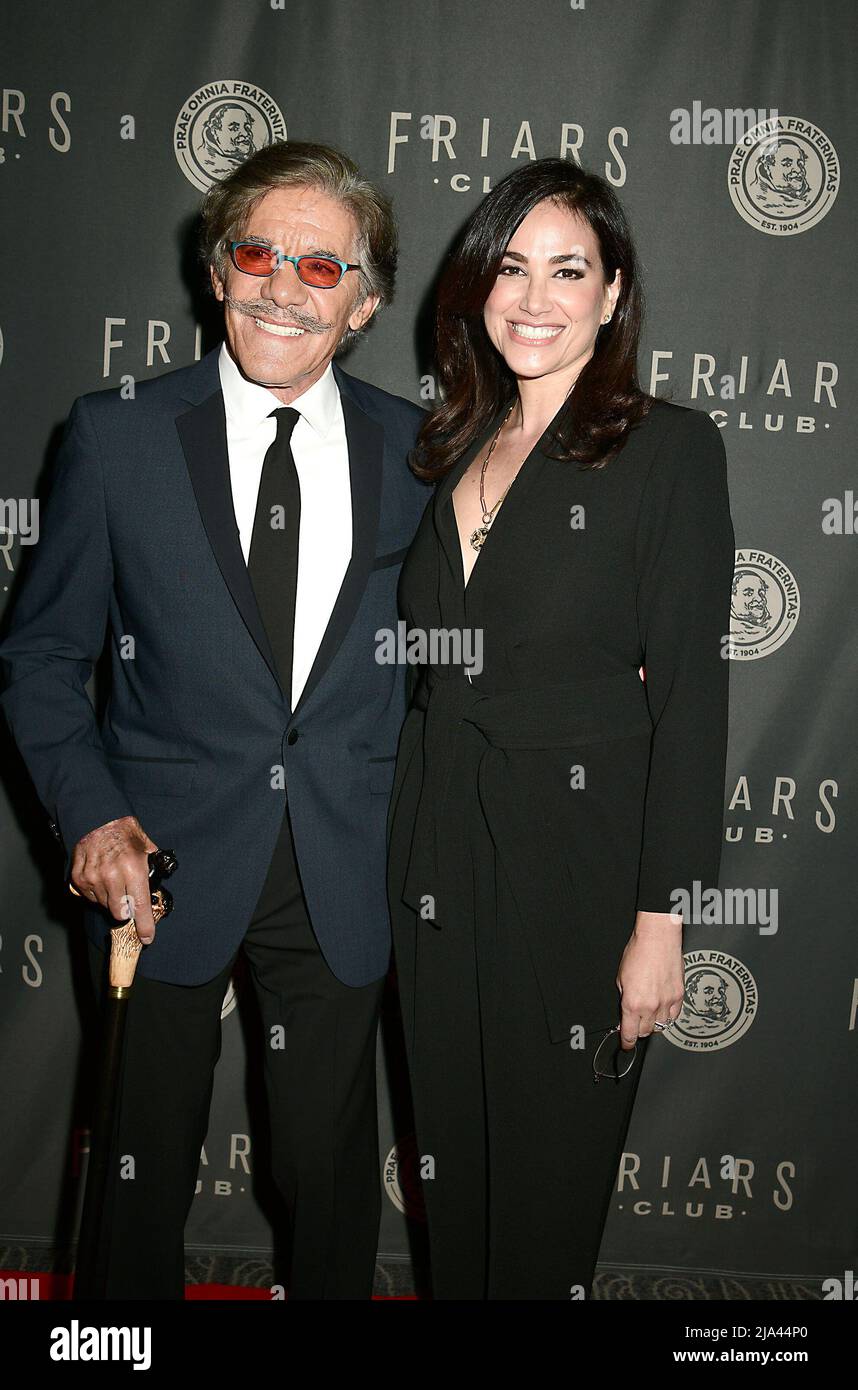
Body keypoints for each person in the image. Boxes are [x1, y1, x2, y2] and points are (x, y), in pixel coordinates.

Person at [0, 140, 430, 1299]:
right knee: (133, 1178)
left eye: (322, 267)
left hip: (343, 857)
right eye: (257, 253)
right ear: (217, 271)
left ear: (366, 301)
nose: (283, 285)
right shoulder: (118, 433)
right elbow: (40, 658)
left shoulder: (420, 452)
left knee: (328, 1174)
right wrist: (92, 820)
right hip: (155, 859)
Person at [386, 157, 735, 1300]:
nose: (534, 298)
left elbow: (689, 700)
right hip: (438, 855)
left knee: (545, 1205)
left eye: (568, 270)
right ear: (478, 285)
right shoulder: (447, 449)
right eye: (511, 267)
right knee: (459, 1193)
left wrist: (661, 918)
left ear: (614, 290)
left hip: (580, 878)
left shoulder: (669, 451)